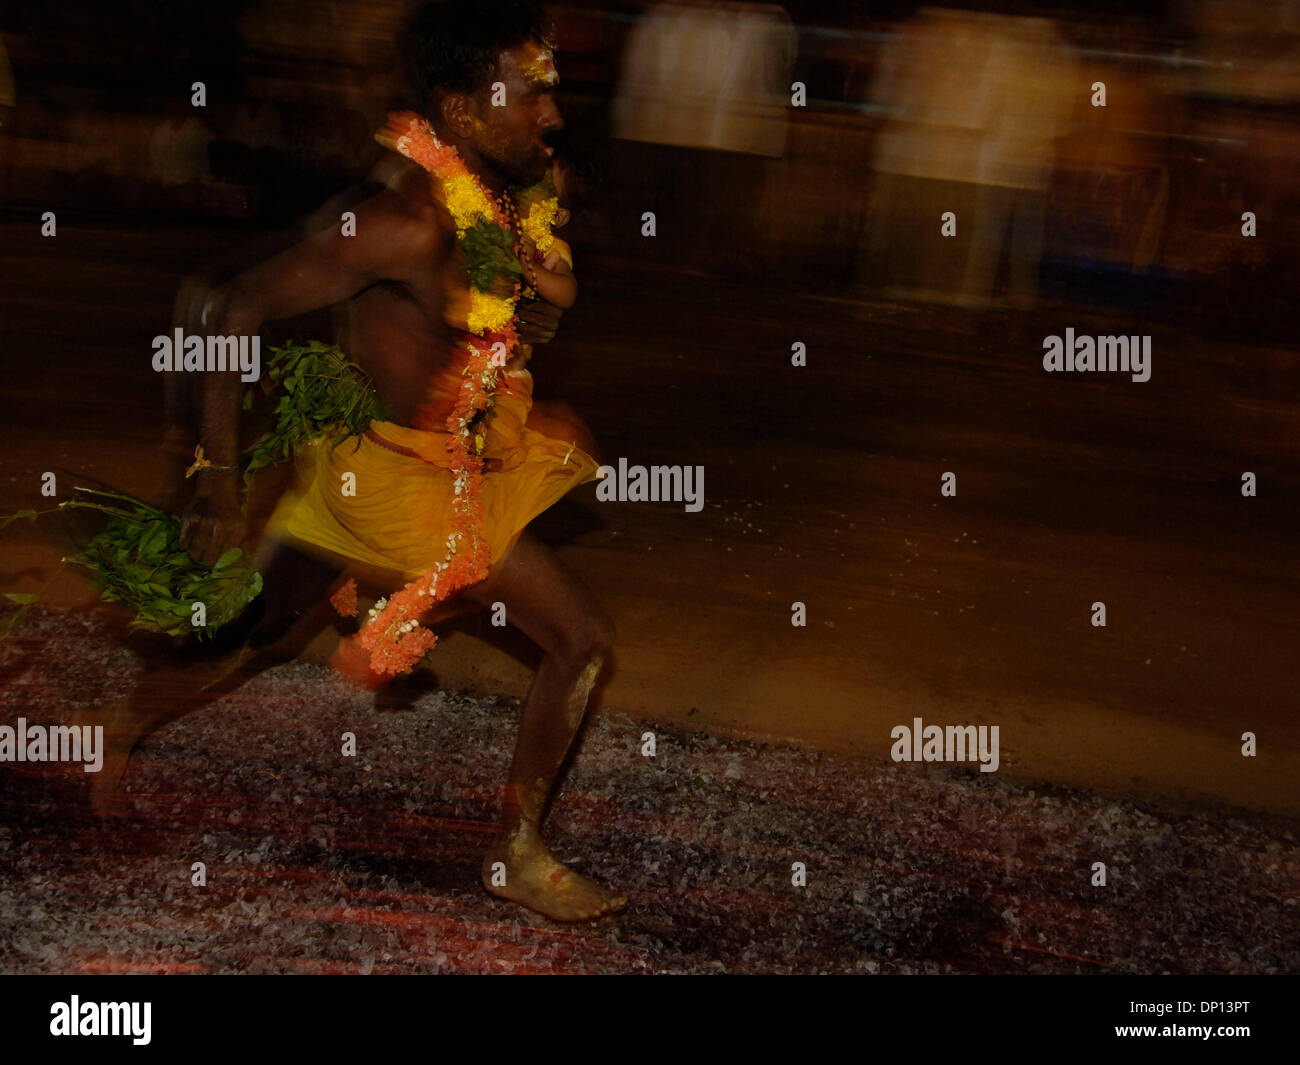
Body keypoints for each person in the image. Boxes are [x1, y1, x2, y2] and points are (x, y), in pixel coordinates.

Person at [98, 0, 626, 924]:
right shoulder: (404, 221)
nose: (553, 112)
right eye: (530, 92)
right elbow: (220, 306)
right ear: (462, 107)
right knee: (580, 643)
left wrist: (514, 328)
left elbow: (486, 309)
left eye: (552, 88)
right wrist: (214, 480)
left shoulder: (495, 192)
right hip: (402, 492)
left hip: (389, 460)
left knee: (255, 631)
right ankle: (522, 856)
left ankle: (118, 729)